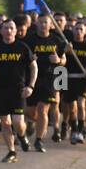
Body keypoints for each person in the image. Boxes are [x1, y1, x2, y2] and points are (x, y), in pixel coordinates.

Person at [0, 19, 37, 163]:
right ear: (1, 31)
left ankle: (22, 136)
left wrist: (30, 86)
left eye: (11, 28)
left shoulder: (22, 47)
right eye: (5, 28)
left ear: (15, 30)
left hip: (18, 90)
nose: (8, 31)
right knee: (5, 122)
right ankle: (11, 151)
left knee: (18, 122)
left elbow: (33, 67)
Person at [25, 14, 66, 153]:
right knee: (31, 111)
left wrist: (59, 60)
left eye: (46, 23)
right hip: (32, 78)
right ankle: (31, 122)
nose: (43, 25)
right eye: (41, 22)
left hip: (51, 77)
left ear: (51, 25)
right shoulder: (29, 40)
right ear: (36, 23)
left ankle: (39, 140)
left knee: (44, 109)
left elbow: (64, 59)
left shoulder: (57, 40)